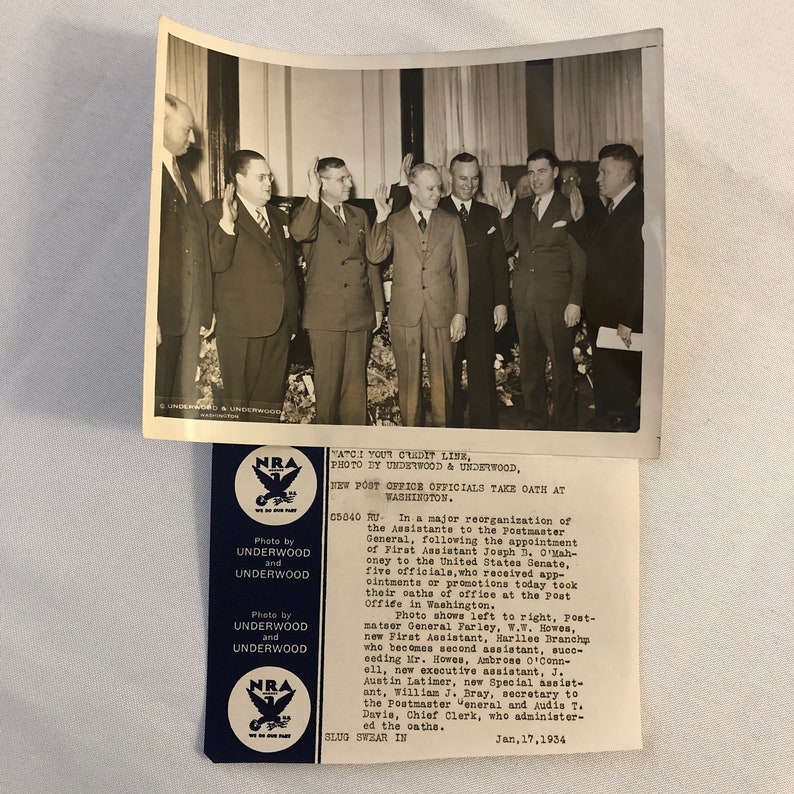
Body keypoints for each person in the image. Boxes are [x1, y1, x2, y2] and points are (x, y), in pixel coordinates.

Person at [369, 164, 468, 427]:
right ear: (412, 189)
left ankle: (442, 442)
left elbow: (461, 273)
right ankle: (411, 442)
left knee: (443, 384)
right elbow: (375, 255)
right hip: (405, 314)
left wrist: (460, 313)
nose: (438, 193)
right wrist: (380, 218)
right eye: (431, 188)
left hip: (443, 314)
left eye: (439, 187)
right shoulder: (393, 221)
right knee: (408, 385)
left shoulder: (451, 222)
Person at [203, 150, 299, 421]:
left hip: (279, 326)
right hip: (240, 325)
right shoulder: (214, 210)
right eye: (261, 177)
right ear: (239, 179)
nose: (269, 182)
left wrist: (291, 319)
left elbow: (288, 270)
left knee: (269, 406)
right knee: (239, 407)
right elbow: (215, 263)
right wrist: (227, 224)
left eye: (269, 176)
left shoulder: (279, 217)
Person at [289, 156, 385, 425]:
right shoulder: (309, 212)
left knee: (356, 388)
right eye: (341, 178)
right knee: (328, 389)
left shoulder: (359, 215)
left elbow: (370, 263)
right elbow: (299, 233)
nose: (349, 183)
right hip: (326, 315)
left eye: (348, 177)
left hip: (360, 310)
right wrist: (312, 193)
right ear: (322, 182)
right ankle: (325, 445)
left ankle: (353, 444)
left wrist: (378, 305)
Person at [497, 148, 586, 430]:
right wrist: (505, 215)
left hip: (557, 302)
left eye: (542, 171)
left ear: (555, 173)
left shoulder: (569, 205)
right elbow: (507, 246)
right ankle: (535, 424)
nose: (535, 178)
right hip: (525, 301)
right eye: (531, 172)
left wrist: (575, 301)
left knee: (562, 371)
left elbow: (579, 258)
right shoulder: (521, 206)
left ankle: (565, 429)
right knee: (530, 371)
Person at [568, 143, 644, 431]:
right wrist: (577, 221)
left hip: (622, 319)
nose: (598, 178)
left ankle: (617, 430)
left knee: (622, 385)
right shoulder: (611, 207)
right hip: (603, 315)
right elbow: (596, 251)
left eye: (604, 172)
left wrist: (630, 318)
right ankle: (606, 422)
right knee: (607, 379)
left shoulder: (640, 208)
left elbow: (644, 272)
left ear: (624, 172)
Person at [441, 153, 509, 428]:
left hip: (482, 306)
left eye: (475, 178)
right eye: (463, 178)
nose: (469, 184)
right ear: (451, 177)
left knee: (482, 375)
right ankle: (452, 434)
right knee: (450, 374)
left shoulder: (489, 213)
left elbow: (498, 264)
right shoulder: (438, 209)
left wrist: (501, 302)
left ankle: (486, 435)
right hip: (446, 306)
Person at [156, 94, 212, 415]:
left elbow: (197, 243)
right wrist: (148, 319)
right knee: (156, 400)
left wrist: (205, 306)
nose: (193, 138)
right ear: (161, 122)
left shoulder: (183, 175)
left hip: (188, 314)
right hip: (162, 317)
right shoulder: (143, 172)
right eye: (187, 130)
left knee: (179, 403)